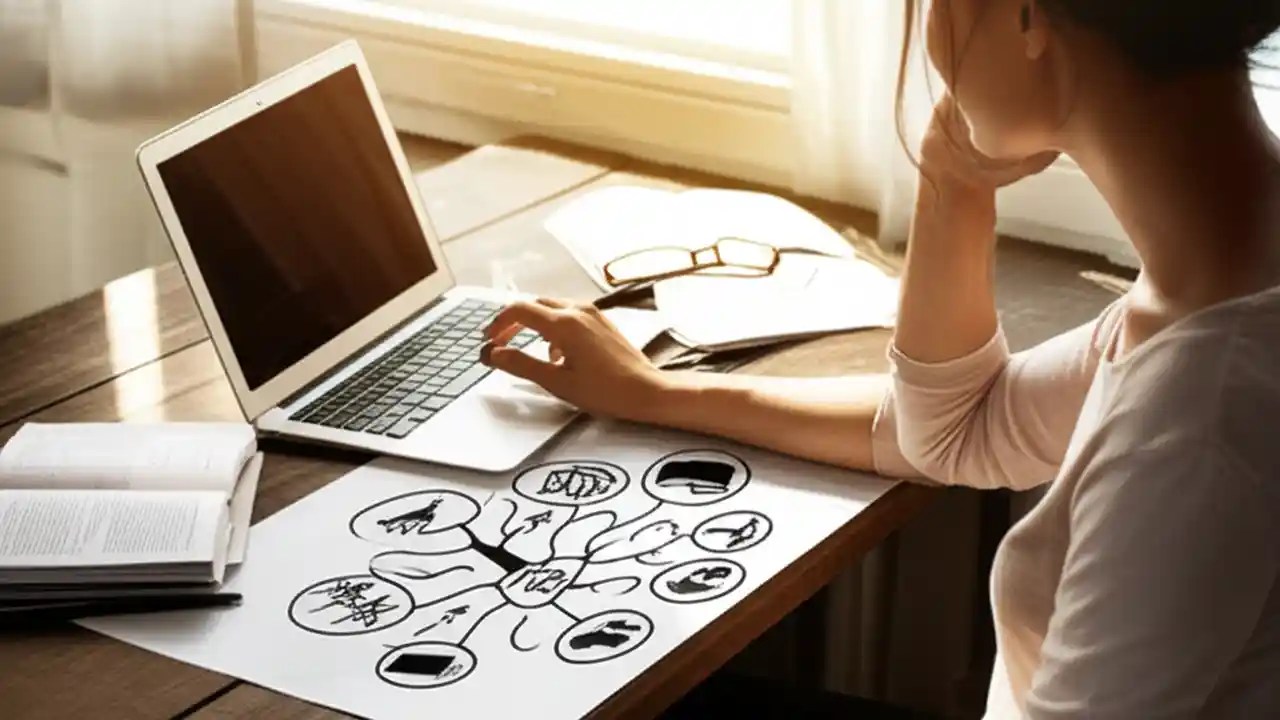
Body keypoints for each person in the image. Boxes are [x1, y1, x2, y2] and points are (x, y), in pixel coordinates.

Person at [481, 0, 1280, 717]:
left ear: (1026, 15)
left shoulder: (1201, 419)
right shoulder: (1222, 273)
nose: (929, 37)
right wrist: (655, 392)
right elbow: (955, 431)